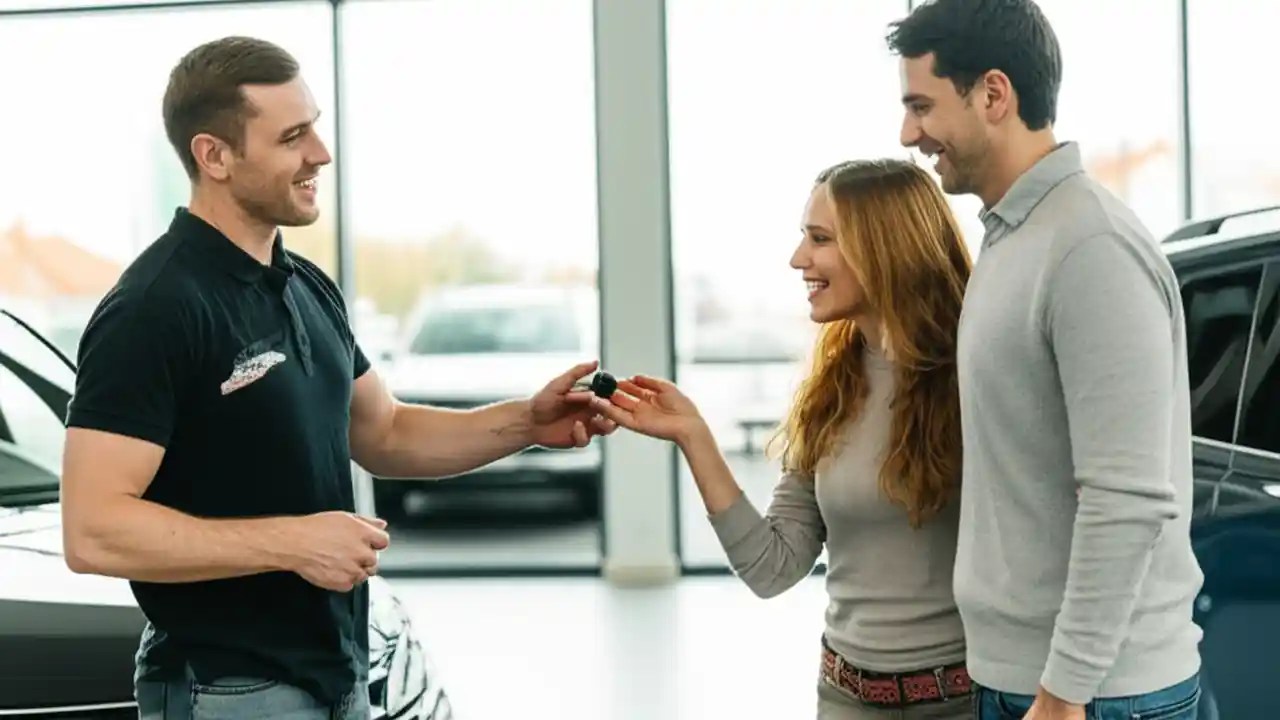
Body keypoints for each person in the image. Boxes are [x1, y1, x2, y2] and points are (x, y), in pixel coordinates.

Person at [59, 36, 614, 719]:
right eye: (292, 136)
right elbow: (93, 529)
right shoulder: (154, 308)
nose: (320, 153)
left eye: (315, 128)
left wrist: (527, 422)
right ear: (215, 156)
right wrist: (294, 542)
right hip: (226, 691)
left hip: (337, 672)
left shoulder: (306, 286)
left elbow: (386, 431)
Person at [885, 2, 1205, 719]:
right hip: (1028, 680)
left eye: (921, 106)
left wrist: (1062, 696)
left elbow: (1125, 499)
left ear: (993, 94)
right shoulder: (1013, 236)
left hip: (1096, 696)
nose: (908, 134)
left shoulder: (1091, 247)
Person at [591, 158, 975, 719]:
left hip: (965, 704)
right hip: (845, 701)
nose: (798, 259)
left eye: (820, 239)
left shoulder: (977, 375)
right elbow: (772, 568)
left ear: (883, 246)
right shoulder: (834, 388)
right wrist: (693, 436)